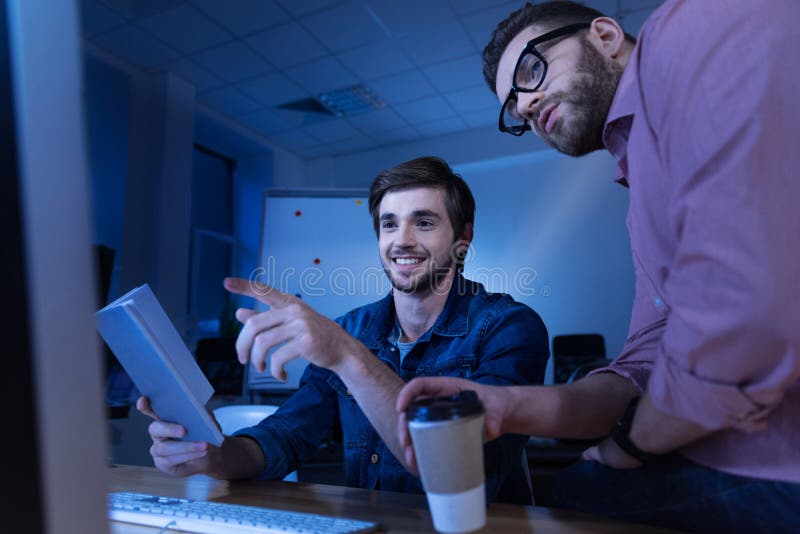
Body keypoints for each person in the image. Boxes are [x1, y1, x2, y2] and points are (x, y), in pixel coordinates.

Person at [396, 1, 800, 530]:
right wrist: (507, 405)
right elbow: (645, 363)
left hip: (773, 464)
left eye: (531, 70)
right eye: (513, 107)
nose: (525, 104)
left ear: (606, 35)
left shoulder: (690, 29)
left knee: (565, 503)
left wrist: (629, 444)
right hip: (721, 451)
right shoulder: (641, 199)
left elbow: (741, 318)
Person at [138, 156, 549, 504]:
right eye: (389, 225)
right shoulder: (353, 328)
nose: (401, 241)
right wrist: (216, 456)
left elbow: (465, 474)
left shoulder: (510, 328)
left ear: (463, 236)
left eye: (423, 223)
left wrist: (348, 355)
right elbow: (287, 436)